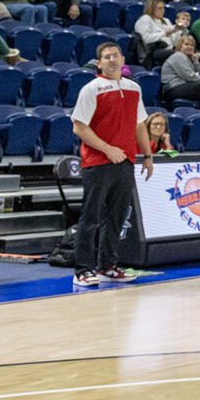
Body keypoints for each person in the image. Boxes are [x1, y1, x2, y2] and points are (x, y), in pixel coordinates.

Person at [70, 42, 152, 288]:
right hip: (97, 162)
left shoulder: (134, 88)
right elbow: (78, 126)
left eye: (115, 55)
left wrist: (147, 155)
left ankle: (107, 266)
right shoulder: (91, 89)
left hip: (125, 161)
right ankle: (82, 269)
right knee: (91, 217)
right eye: (106, 57)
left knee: (117, 217)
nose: (112, 60)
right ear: (99, 63)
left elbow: (140, 125)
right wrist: (107, 149)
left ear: (123, 58)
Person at [131, 0, 176, 68]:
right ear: (151, 9)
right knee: (178, 54)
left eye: (163, 8)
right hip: (153, 50)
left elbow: (174, 42)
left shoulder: (166, 20)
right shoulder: (145, 19)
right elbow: (145, 39)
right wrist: (164, 33)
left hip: (169, 48)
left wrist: (178, 31)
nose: (163, 10)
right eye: (159, 8)